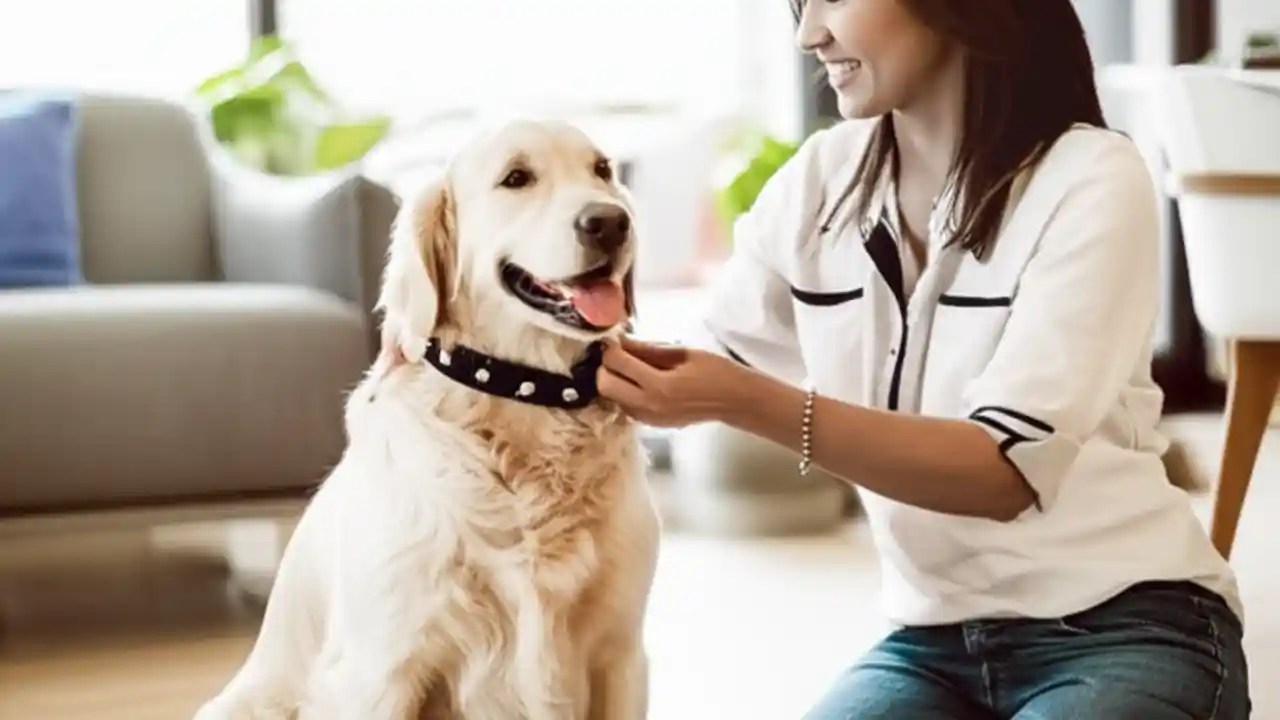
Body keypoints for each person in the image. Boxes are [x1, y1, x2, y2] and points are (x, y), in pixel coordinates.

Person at [596, 0, 1251, 717]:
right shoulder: (821, 183)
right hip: (931, 643)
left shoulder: (1091, 176)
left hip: (1129, 625)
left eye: (835, 0)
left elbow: (1002, 470)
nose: (810, 34)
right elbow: (696, 362)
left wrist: (747, 400)